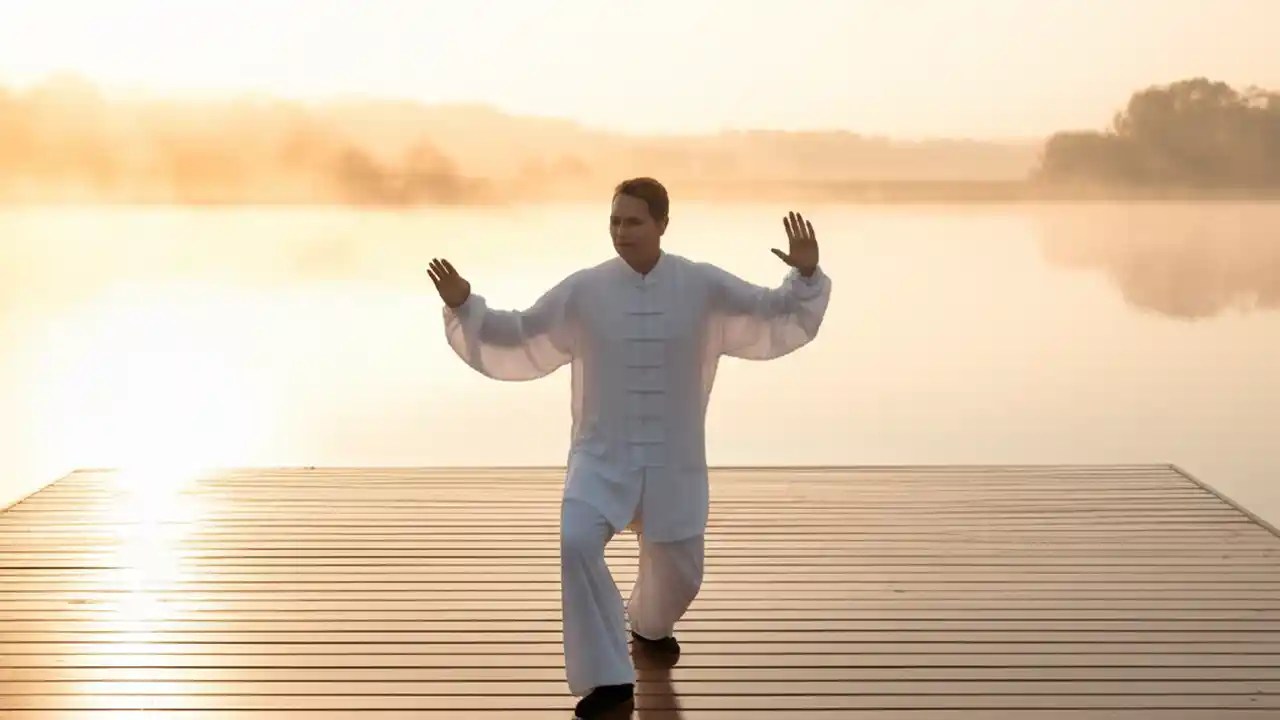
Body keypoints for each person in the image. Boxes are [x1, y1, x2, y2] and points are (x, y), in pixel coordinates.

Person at [429, 177, 831, 719]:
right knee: (575, 539)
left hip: (675, 461)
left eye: (634, 221)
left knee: (680, 578)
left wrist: (805, 275)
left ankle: (648, 622)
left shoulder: (701, 285)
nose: (621, 232)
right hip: (601, 457)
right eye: (615, 221)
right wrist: (465, 306)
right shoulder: (585, 291)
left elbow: (771, 312)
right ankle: (609, 678)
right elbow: (521, 333)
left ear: (663, 223)